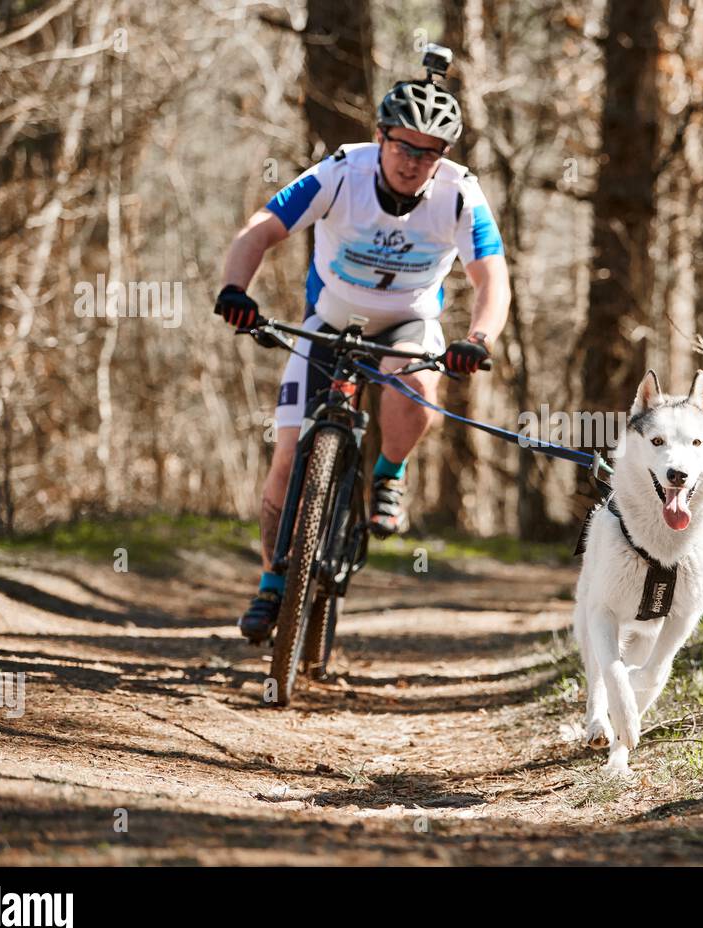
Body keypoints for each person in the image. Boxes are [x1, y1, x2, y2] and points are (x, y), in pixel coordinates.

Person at [215, 51, 511, 642]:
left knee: (417, 381)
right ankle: (273, 580)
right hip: (329, 320)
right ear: (380, 138)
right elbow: (260, 230)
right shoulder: (339, 174)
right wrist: (233, 289)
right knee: (286, 457)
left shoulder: (459, 195)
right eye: (403, 146)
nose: (413, 162)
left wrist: (477, 340)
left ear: (444, 157)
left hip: (406, 322)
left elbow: (491, 278)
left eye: (429, 153)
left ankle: (388, 473)